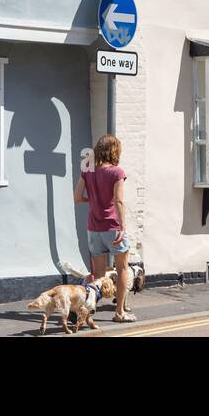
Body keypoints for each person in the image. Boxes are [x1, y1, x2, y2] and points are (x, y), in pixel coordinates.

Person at [74, 134, 136, 323]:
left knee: (98, 275)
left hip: (93, 228)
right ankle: (119, 313)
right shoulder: (117, 172)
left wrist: (91, 200)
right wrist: (123, 227)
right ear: (115, 151)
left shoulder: (88, 170)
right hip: (112, 227)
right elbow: (118, 200)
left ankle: (88, 310)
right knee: (122, 269)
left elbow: (77, 197)